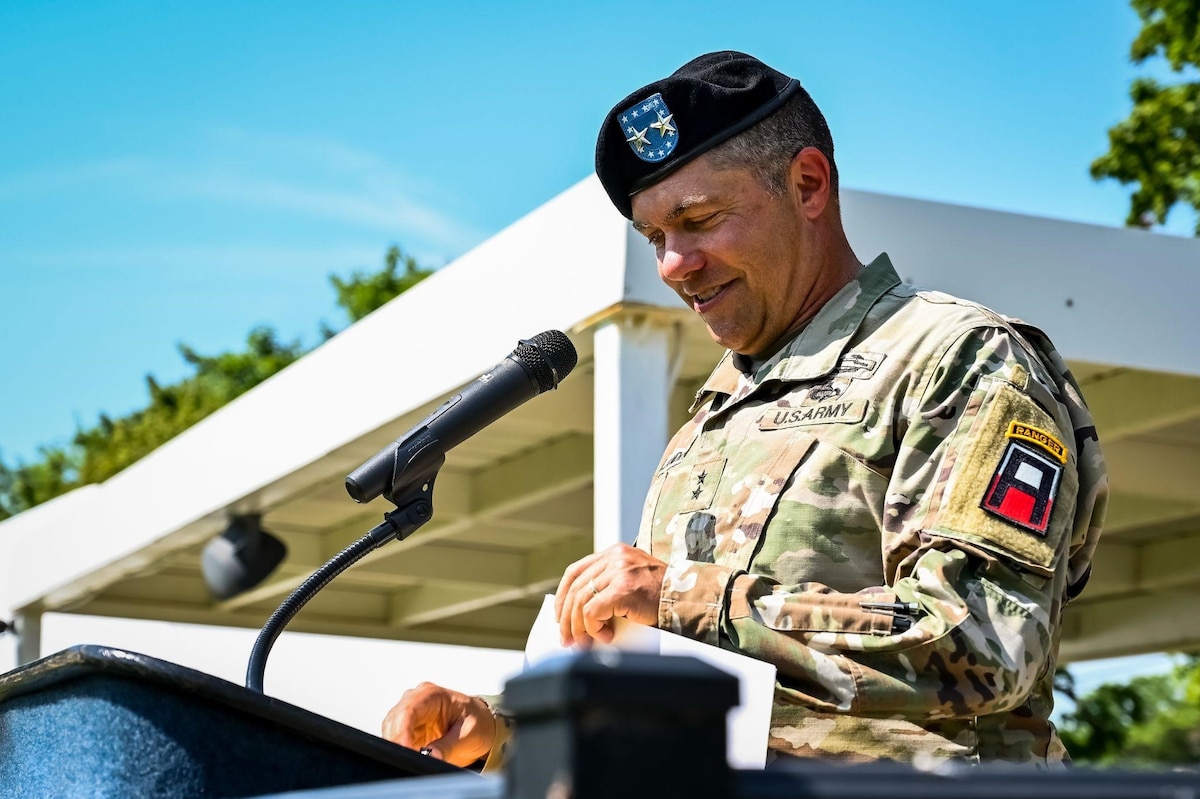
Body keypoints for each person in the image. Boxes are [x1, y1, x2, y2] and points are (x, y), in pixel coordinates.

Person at [382, 51, 1106, 767]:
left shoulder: (960, 359)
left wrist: (685, 596)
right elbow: (681, 689)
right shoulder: (714, 415)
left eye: (699, 218)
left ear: (809, 183)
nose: (672, 263)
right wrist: (502, 728)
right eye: (656, 237)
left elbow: (986, 641)